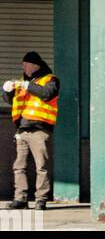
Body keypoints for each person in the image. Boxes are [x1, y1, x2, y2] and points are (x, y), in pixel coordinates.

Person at [2, 52, 60, 210]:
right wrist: (7, 91)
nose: (23, 67)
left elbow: (47, 94)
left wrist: (28, 86)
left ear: (35, 65)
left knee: (42, 166)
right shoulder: (22, 82)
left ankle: (41, 199)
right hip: (22, 130)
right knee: (18, 166)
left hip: (40, 130)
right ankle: (20, 198)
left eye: (26, 64)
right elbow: (11, 100)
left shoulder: (50, 80)